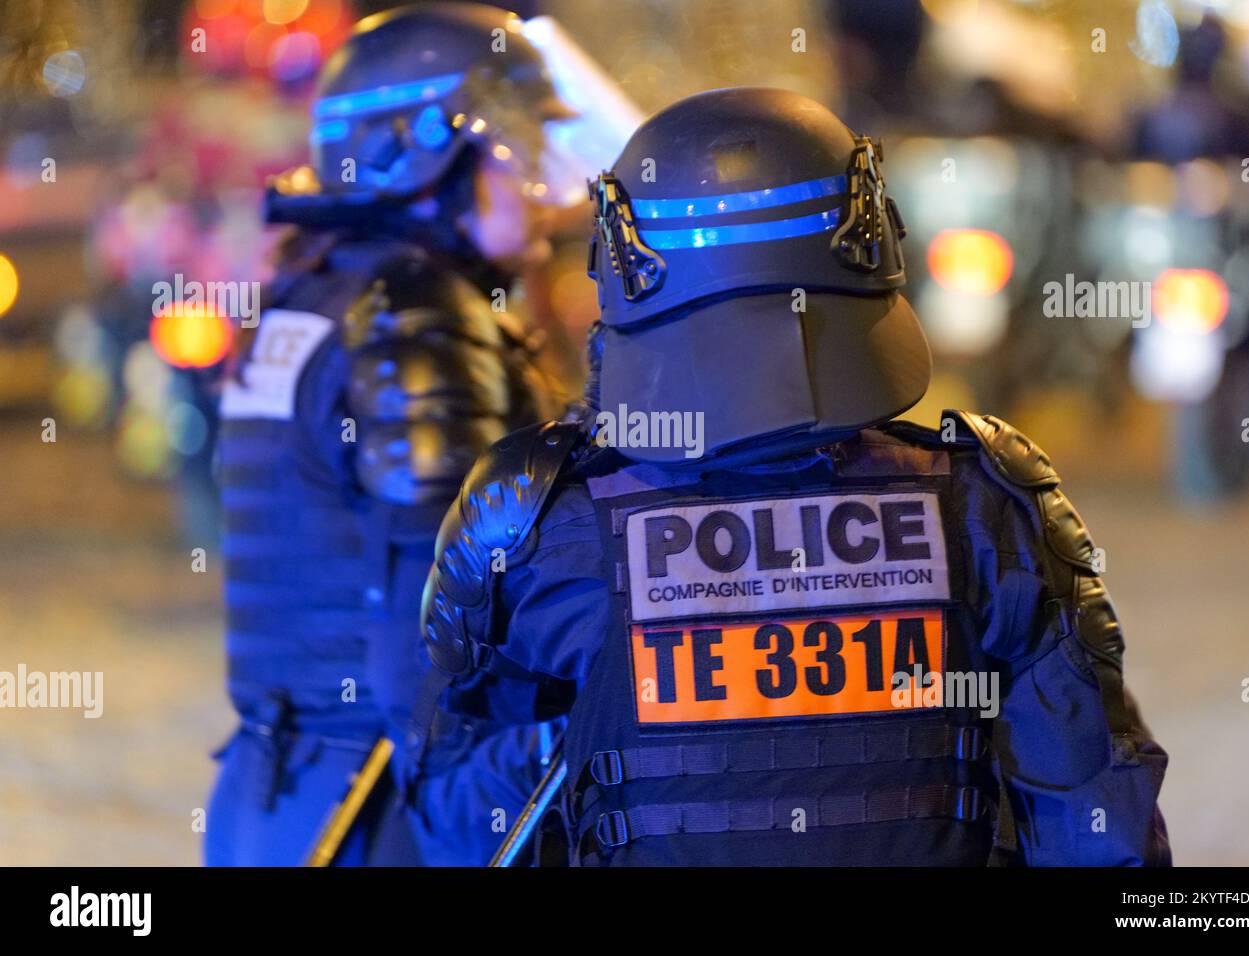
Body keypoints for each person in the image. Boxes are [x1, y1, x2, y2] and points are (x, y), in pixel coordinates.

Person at [421, 87, 1172, 866]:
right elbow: (1097, 819)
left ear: (627, 261)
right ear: (867, 235)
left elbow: (461, 808)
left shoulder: (540, 522)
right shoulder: (989, 500)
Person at [206, 2, 612, 866]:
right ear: (423, 151)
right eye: (520, 142)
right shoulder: (414, 315)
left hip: (286, 790)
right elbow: (445, 618)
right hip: (391, 806)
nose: (545, 181)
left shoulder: (321, 292)